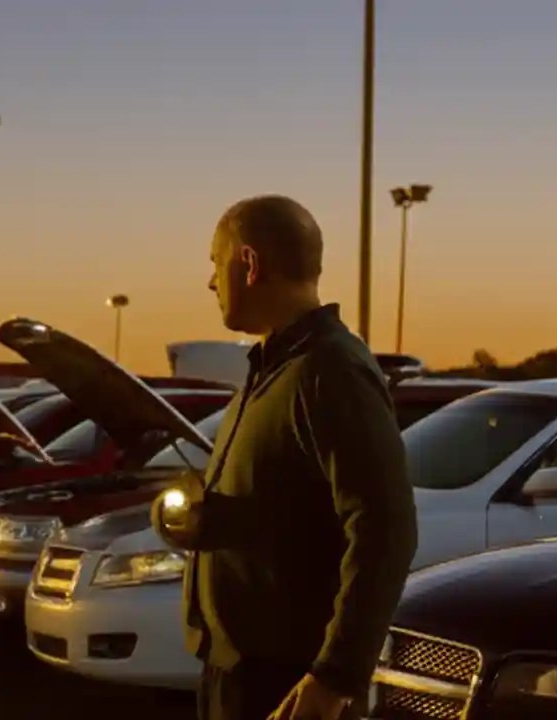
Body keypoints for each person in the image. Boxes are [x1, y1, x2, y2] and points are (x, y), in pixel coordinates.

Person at [151, 195, 418, 720]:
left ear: (248, 264)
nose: (210, 283)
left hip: (285, 683)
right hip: (235, 672)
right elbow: (289, 508)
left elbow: (386, 527)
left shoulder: (329, 369)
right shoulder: (273, 366)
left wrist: (334, 677)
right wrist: (213, 520)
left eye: (214, 264)